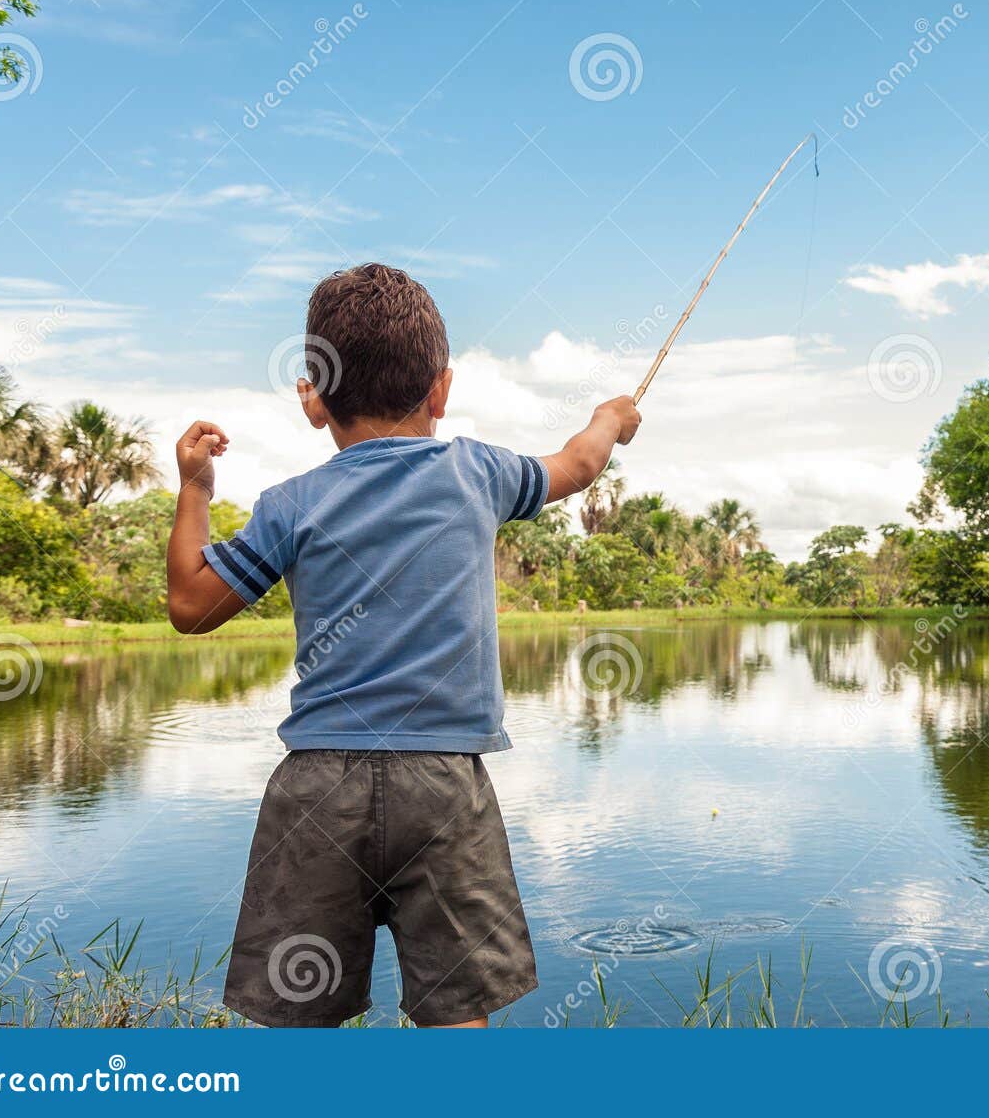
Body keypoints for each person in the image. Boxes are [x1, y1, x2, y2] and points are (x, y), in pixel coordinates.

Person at [166, 262, 640, 1027]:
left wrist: (195, 486)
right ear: (442, 390)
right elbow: (581, 465)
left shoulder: (291, 504)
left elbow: (190, 605)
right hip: (445, 784)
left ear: (314, 400)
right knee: (458, 1022)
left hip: (318, 787)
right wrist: (611, 416)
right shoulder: (479, 472)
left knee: (296, 1016)